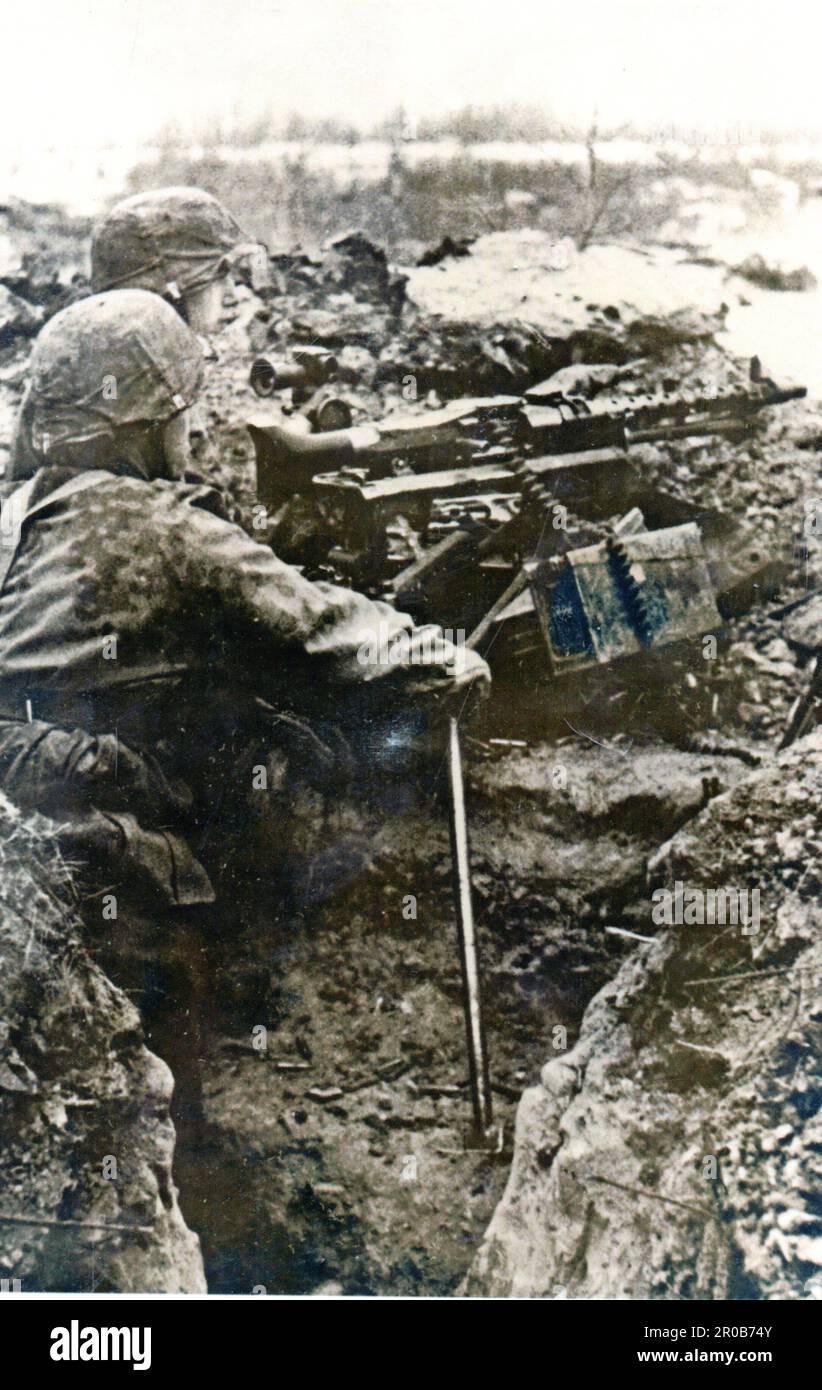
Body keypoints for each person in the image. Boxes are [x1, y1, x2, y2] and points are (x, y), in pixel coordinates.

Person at [0, 287, 488, 1122]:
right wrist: (441, 653)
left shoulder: (20, 513)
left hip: (22, 826)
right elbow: (318, 626)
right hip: (96, 864)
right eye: (182, 413)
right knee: (148, 1106)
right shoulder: (160, 523)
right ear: (147, 425)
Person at [7, 186, 260, 482]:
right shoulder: (113, 378)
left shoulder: (93, 354)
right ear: (171, 290)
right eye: (218, 276)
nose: (232, 292)